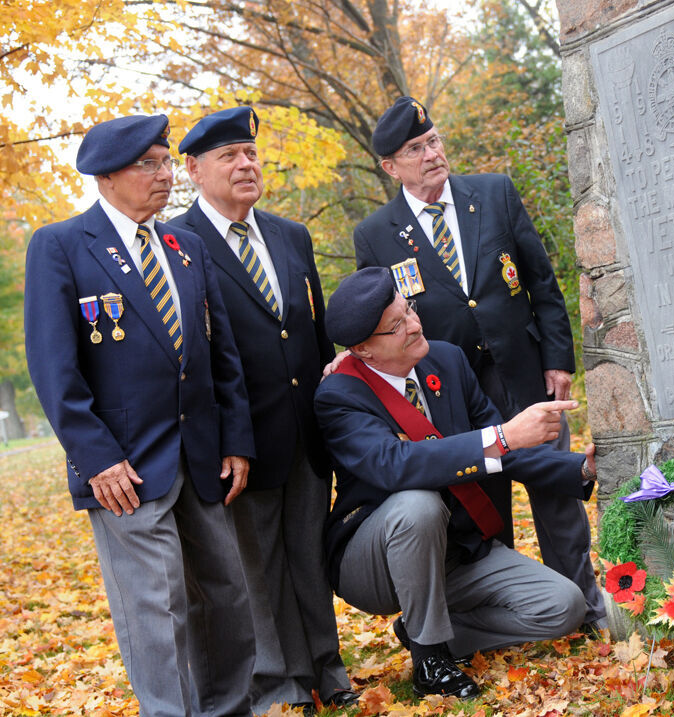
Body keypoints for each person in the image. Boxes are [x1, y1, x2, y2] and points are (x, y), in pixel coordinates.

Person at [24, 114, 257, 716]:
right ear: (106, 176)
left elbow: (219, 354)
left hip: (202, 456)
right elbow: (55, 368)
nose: (164, 176)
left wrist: (235, 439)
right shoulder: (62, 246)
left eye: (165, 162)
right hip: (124, 468)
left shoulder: (185, 246)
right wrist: (97, 458)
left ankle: (227, 708)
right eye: (148, 165)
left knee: (227, 595)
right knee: (158, 607)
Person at [352, 96, 605, 628]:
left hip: (524, 371)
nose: (431, 154)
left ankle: (585, 605)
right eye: (415, 149)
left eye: (434, 141)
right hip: (454, 391)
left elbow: (540, 279)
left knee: (557, 492)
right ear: (390, 166)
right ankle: (516, 607)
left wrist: (558, 358)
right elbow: (376, 317)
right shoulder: (376, 233)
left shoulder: (492, 193)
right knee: (483, 499)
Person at [314, 267, 598, 698]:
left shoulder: (446, 359)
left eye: (408, 309)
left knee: (564, 607)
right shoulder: (339, 395)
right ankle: (430, 661)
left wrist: (581, 469)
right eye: (397, 326)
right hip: (375, 559)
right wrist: (503, 435)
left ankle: (429, 631)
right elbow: (395, 465)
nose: (414, 324)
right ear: (363, 350)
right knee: (417, 503)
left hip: (455, 552)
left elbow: (506, 451)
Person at [171, 106, 358, 713]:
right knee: (257, 572)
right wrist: (227, 438)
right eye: (229, 156)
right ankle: (278, 686)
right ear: (195, 170)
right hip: (238, 443)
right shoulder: (175, 243)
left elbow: (312, 336)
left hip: (304, 431)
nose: (246, 164)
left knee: (308, 558)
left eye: (250, 154)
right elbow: (192, 357)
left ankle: (327, 672)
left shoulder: (290, 235)